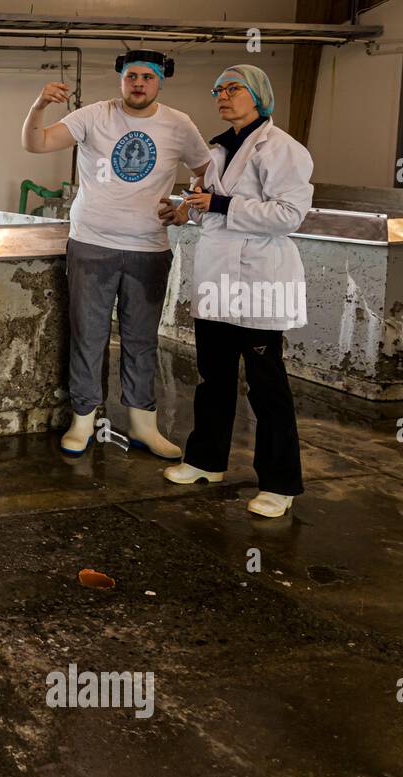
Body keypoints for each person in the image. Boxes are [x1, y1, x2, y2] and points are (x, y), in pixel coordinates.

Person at [23, 50, 212, 458]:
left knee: (141, 339)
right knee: (87, 336)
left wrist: (184, 209)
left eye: (147, 76)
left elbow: (205, 173)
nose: (139, 83)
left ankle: (142, 423)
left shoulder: (179, 125)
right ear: (121, 81)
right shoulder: (94, 116)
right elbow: (36, 143)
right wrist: (38, 105)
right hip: (92, 243)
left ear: (160, 82)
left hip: (148, 248)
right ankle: (84, 419)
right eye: (131, 76)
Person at [159, 64, 313, 518]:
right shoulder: (219, 149)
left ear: (259, 97)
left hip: (260, 281)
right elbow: (214, 207)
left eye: (233, 89)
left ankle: (280, 483)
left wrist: (221, 204)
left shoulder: (283, 149)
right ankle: (206, 461)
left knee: (267, 388)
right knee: (213, 378)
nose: (223, 96)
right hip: (217, 276)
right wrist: (186, 211)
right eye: (218, 90)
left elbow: (289, 214)